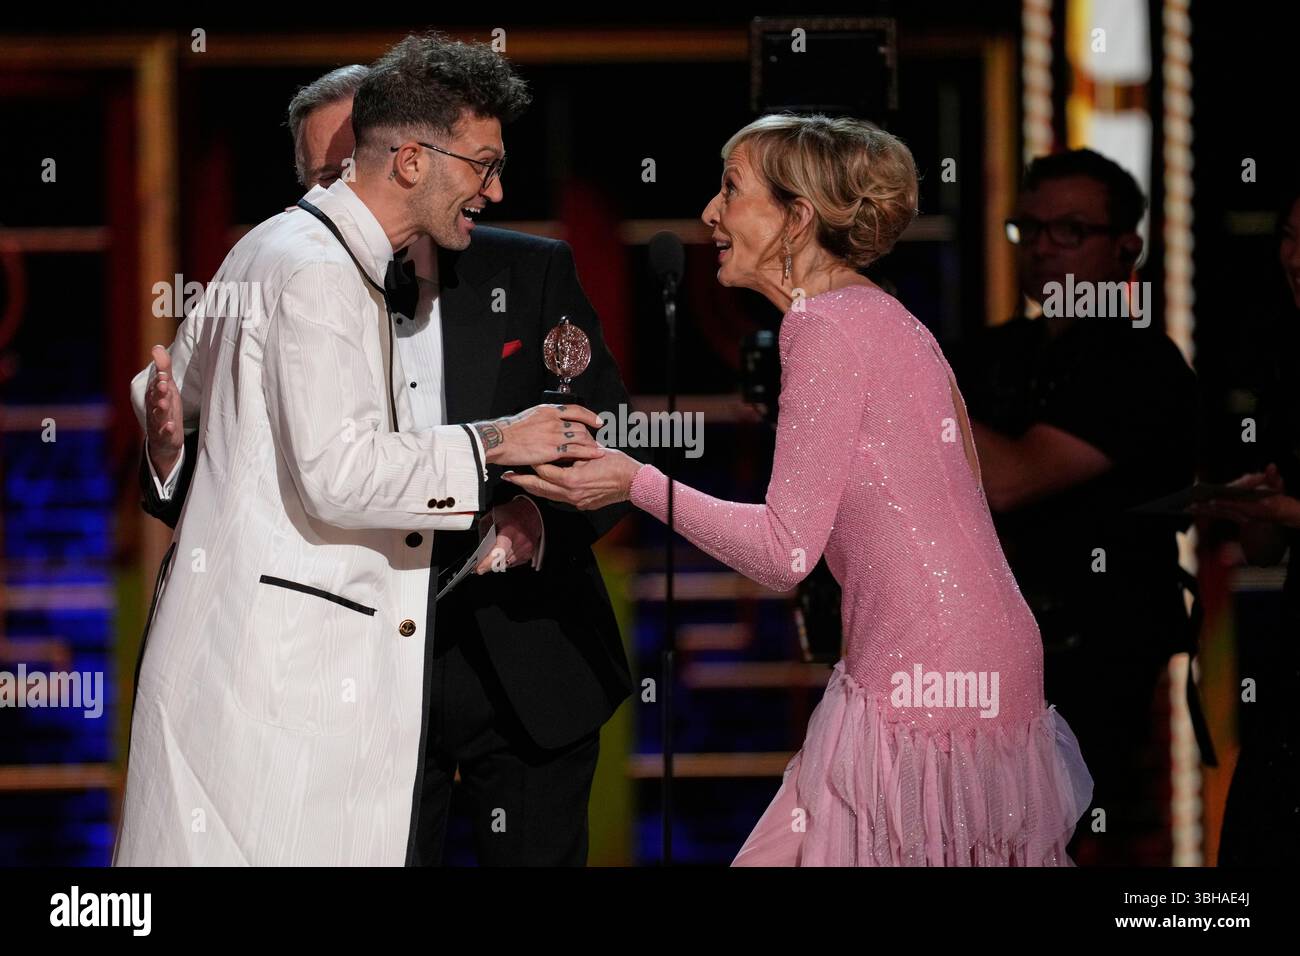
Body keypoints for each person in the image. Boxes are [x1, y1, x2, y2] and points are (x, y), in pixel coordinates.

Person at [507, 113, 1094, 866]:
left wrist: (636, 480)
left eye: (731, 188)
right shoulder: (875, 315)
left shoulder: (823, 327)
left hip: (929, 671)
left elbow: (784, 552)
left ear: (798, 217)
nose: (709, 213)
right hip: (955, 656)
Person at [132, 51, 639, 867]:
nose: (497, 189)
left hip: (442, 671)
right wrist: (496, 440)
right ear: (408, 160)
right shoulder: (319, 269)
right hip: (304, 675)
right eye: (483, 164)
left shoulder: (272, 246)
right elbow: (339, 474)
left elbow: (165, 380)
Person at [948, 150, 1198, 865]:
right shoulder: (999, 352)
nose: (1045, 250)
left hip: (1096, 662)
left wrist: (904, 385)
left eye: (1070, 230)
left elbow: (1011, 480)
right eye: (1030, 230)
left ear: (1128, 248)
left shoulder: (1142, 365)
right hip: (984, 660)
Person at [1194, 187, 1300, 866]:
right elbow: (1266, 541)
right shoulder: (1286, 364)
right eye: (1289, 236)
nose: (1296, 258)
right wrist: (1257, 506)